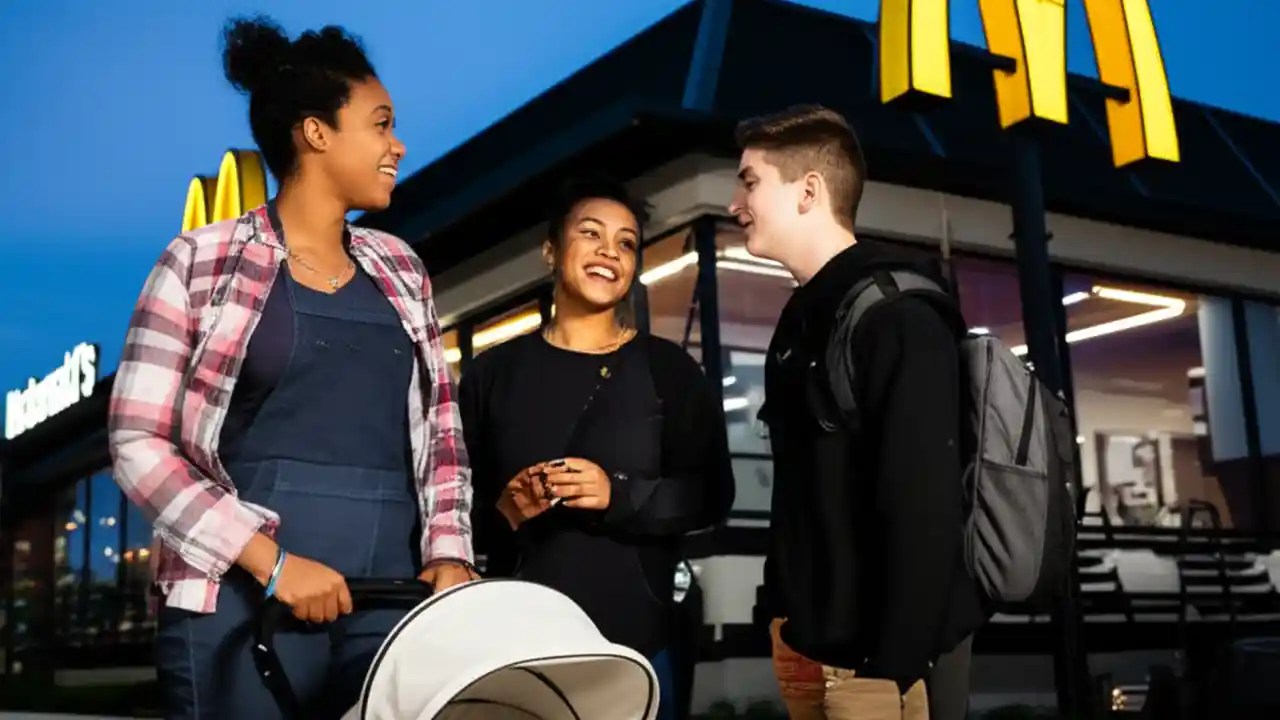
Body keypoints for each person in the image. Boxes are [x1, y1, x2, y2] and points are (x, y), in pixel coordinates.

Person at [108, 16, 476, 719]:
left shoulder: (402, 270)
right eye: (380, 123)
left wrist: (450, 553)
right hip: (238, 605)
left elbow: (442, 436)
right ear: (315, 132)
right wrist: (271, 563)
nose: (397, 144)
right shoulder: (199, 261)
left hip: (391, 605)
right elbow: (136, 443)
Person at [728, 105, 986, 720]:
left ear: (808, 191)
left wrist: (890, 670)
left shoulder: (898, 317)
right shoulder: (801, 320)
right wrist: (780, 616)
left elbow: (924, 507)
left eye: (750, 181)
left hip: (876, 665)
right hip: (807, 645)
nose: (737, 203)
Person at [458, 177, 736, 720]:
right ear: (551, 251)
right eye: (591, 234)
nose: (610, 251)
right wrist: (508, 512)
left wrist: (618, 495)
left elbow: (712, 494)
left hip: (637, 648)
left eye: (627, 242)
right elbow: (451, 514)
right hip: (518, 652)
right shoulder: (492, 375)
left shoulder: (669, 371)